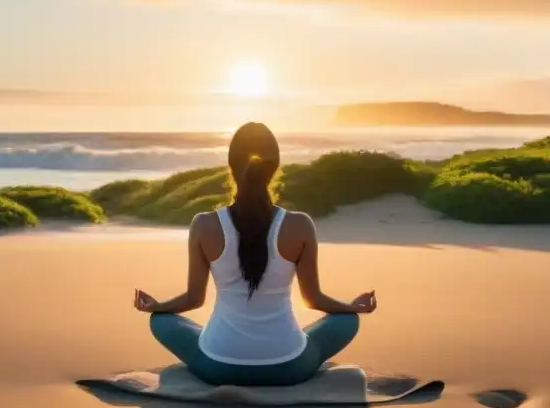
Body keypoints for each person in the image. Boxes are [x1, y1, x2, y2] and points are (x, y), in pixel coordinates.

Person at [132, 121, 377, 386]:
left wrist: (157, 307)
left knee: (161, 321)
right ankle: (288, 343)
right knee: (347, 321)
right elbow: (313, 299)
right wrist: (350, 307)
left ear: (231, 167)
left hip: (217, 367)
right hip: (288, 368)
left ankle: (222, 342)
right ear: (274, 168)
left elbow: (194, 298)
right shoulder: (300, 224)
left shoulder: (203, 225)